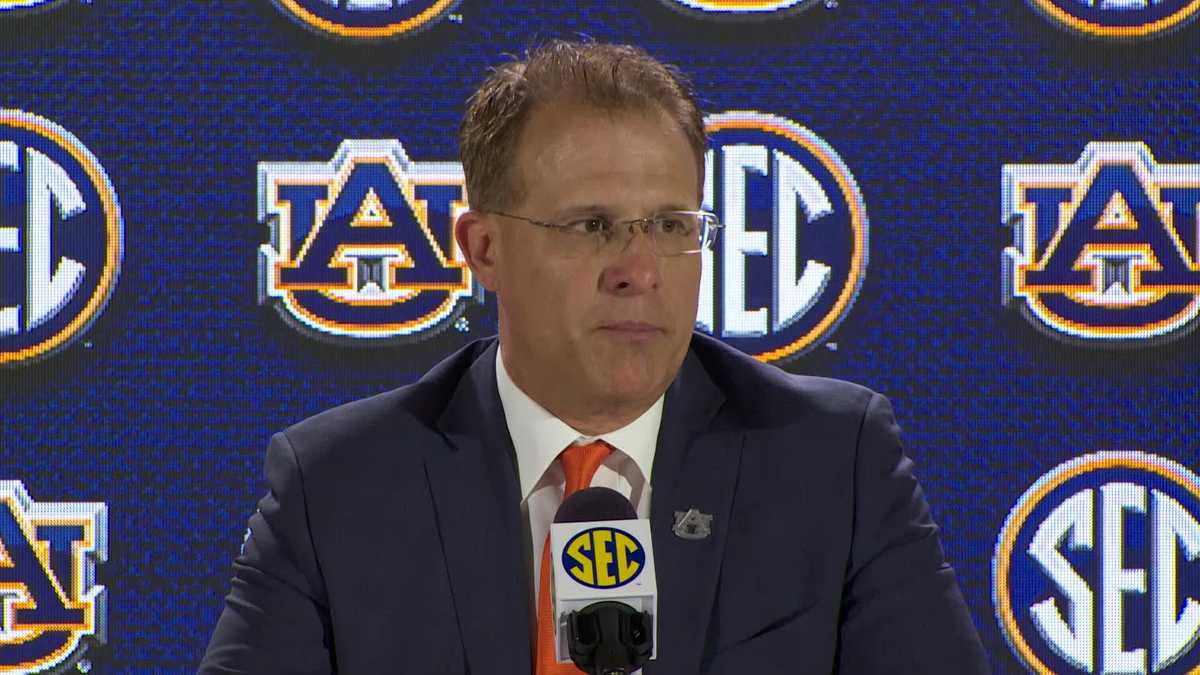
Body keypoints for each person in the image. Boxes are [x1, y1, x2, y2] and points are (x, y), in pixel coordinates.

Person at [201, 41, 988, 674]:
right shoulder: (337, 488)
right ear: (484, 247)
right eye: (591, 226)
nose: (638, 269)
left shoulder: (831, 462)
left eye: (673, 226)